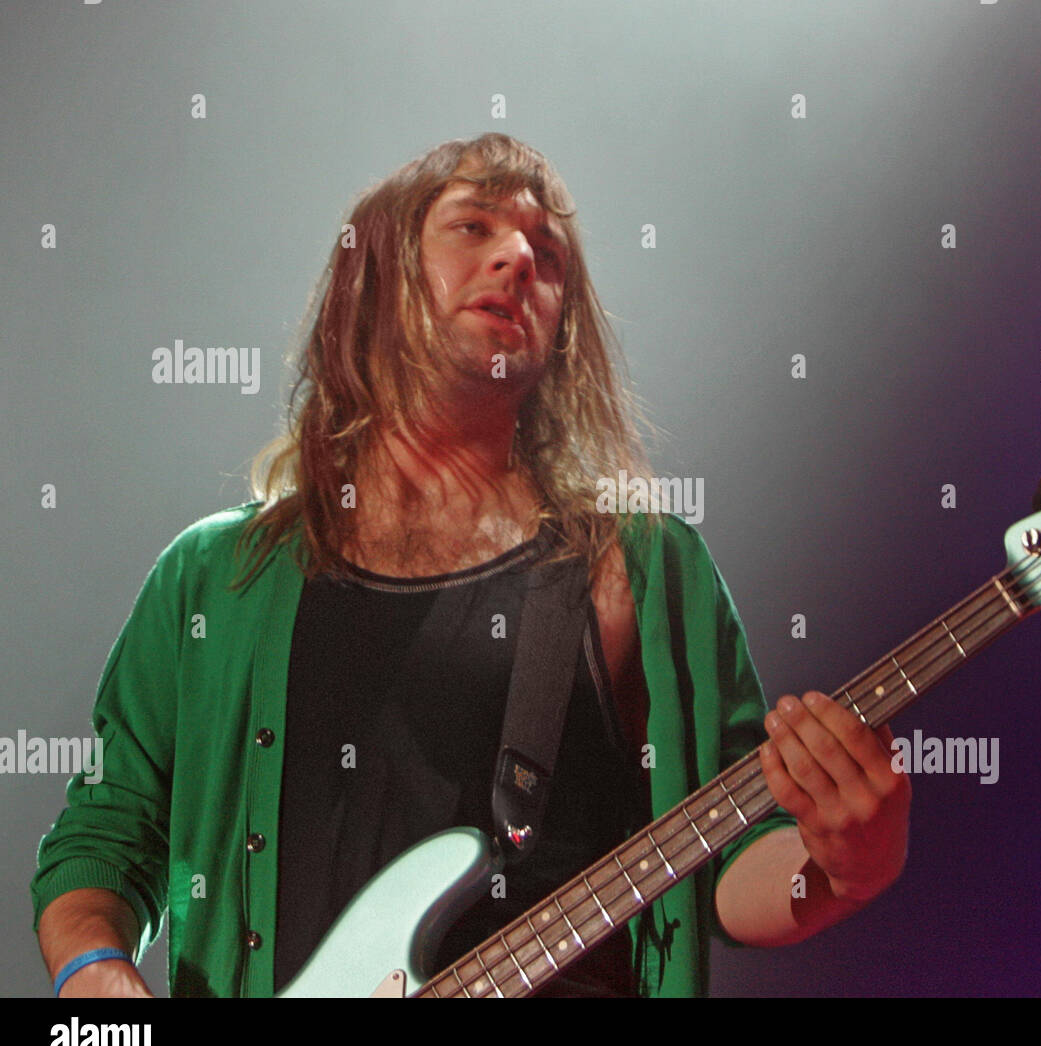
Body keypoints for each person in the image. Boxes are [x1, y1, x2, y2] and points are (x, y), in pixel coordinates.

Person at [31, 133, 910, 998]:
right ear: (376, 280)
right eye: (473, 227)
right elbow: (103, 840)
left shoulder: (638, 570)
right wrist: (93, 976)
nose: (519, 258)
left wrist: (843, 868)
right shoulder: (215, 578)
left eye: (549, 251)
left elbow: (728, 867)